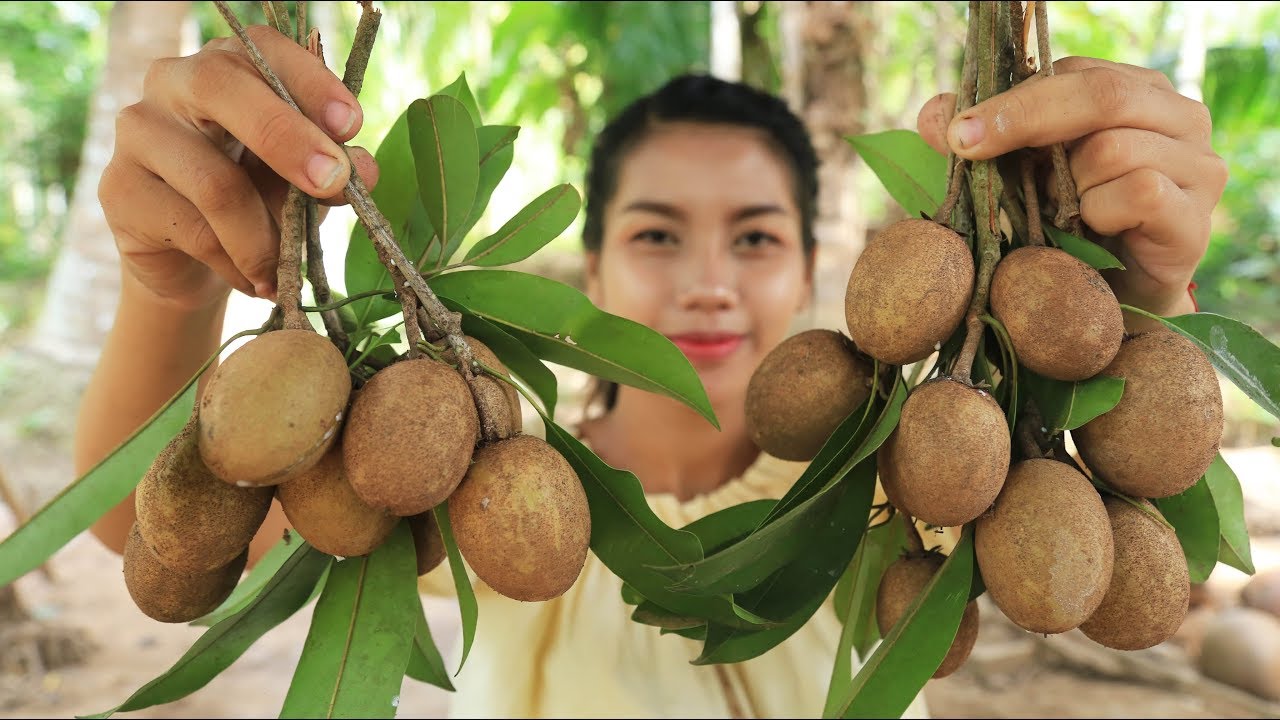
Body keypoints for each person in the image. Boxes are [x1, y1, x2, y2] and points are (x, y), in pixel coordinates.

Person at [76, 23, 1226, 719]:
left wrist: (1130, 303)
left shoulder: (886, 484)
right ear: (589, 262)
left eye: (756, 237)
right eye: (657, 234)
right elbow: (153, 531)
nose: (707, 282)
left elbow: (1116, 564)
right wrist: (175, 289)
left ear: (824, 265)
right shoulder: (464, 481)